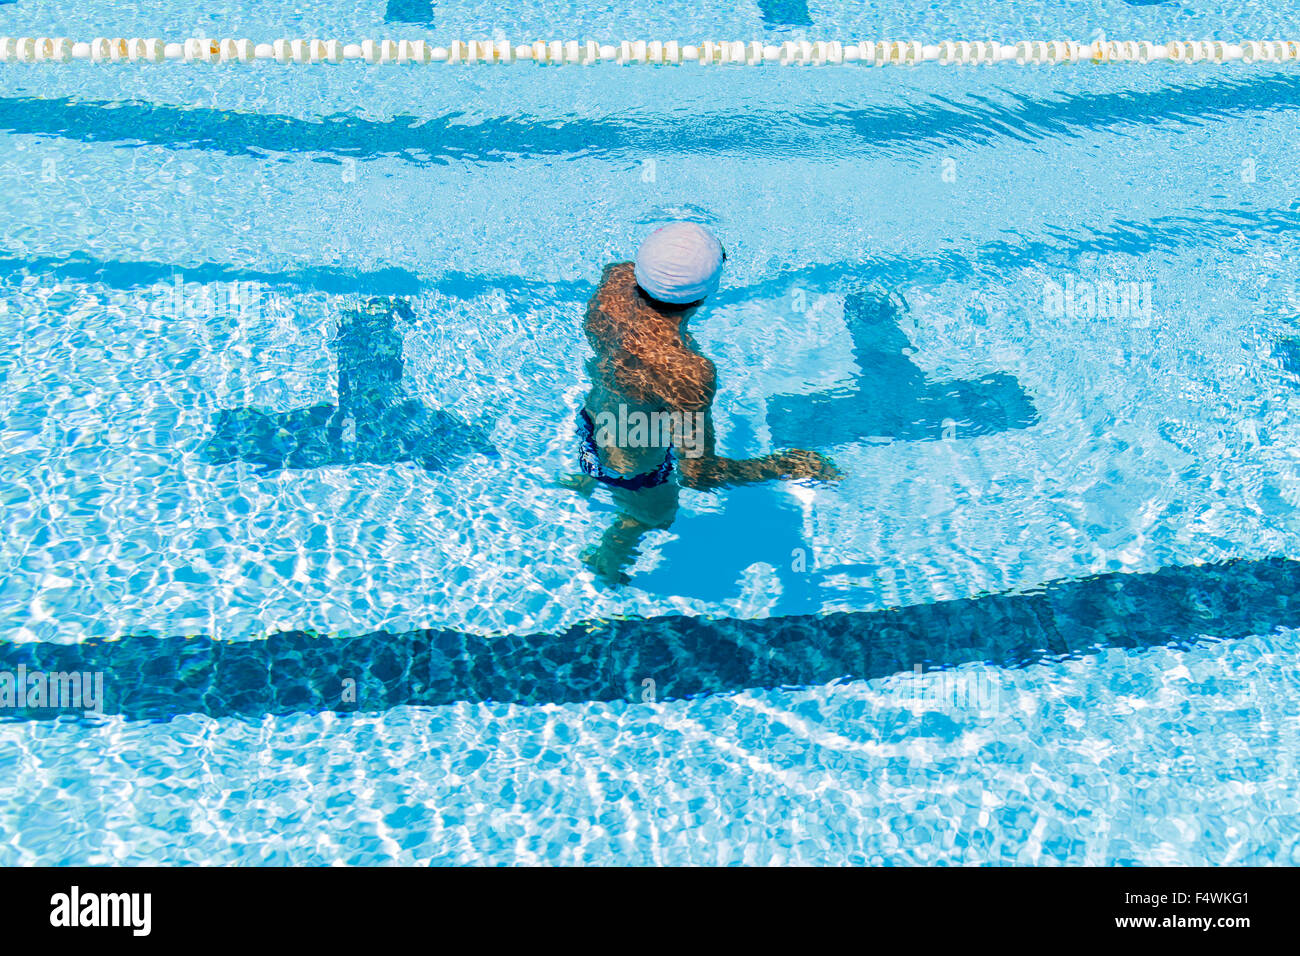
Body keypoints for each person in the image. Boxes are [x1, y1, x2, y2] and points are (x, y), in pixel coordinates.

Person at [564, 222, 841, 586]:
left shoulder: (613, 284)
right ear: (706, 293)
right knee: (652, 517)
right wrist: (782, 465)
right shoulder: (685, 373)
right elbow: (700, 475)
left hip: (593, 421)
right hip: (636, 468)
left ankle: (583, 481)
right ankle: (604, 564)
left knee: (610, 457)